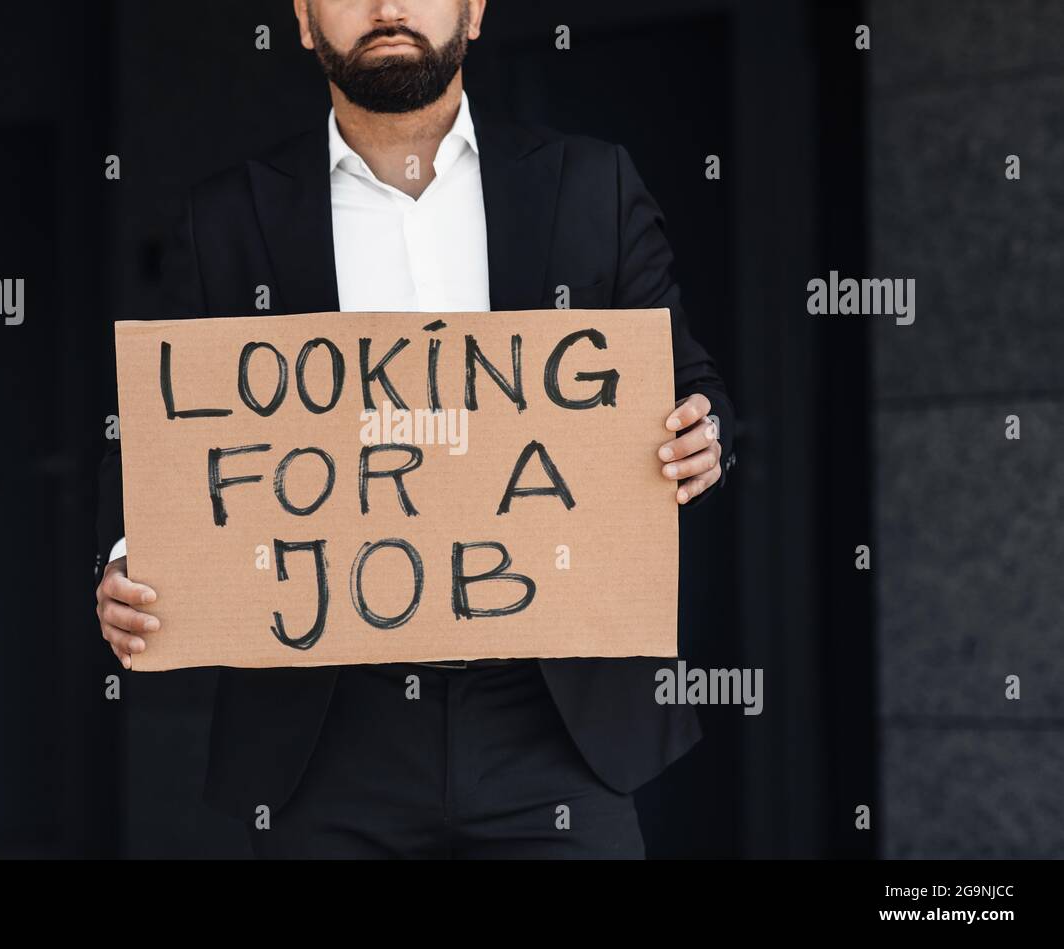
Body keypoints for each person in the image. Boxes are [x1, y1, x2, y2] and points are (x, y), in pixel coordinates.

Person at [95, 0, 735, 858]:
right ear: (302, 19)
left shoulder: (590, 184)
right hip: (323, 737)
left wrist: (705, 435)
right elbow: (163, 439)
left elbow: (686, 382)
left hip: (553, 730)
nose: (389, 7)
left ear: (473, 11)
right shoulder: (226, 219)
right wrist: (128, 565)